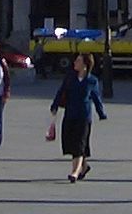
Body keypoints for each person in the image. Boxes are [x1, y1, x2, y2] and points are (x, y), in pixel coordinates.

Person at [49, 52, 107, 183]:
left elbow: (96, 98)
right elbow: (61, 91)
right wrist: (55, 106)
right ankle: (84, 166)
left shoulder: (92, 81)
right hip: (70, 114)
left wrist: (101, 113)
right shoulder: (70, 77)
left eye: (78, 61)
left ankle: (75, 172)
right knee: (70, 143)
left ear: (85, 65)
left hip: (83, 116)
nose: (75, 62)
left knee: (79, 144)